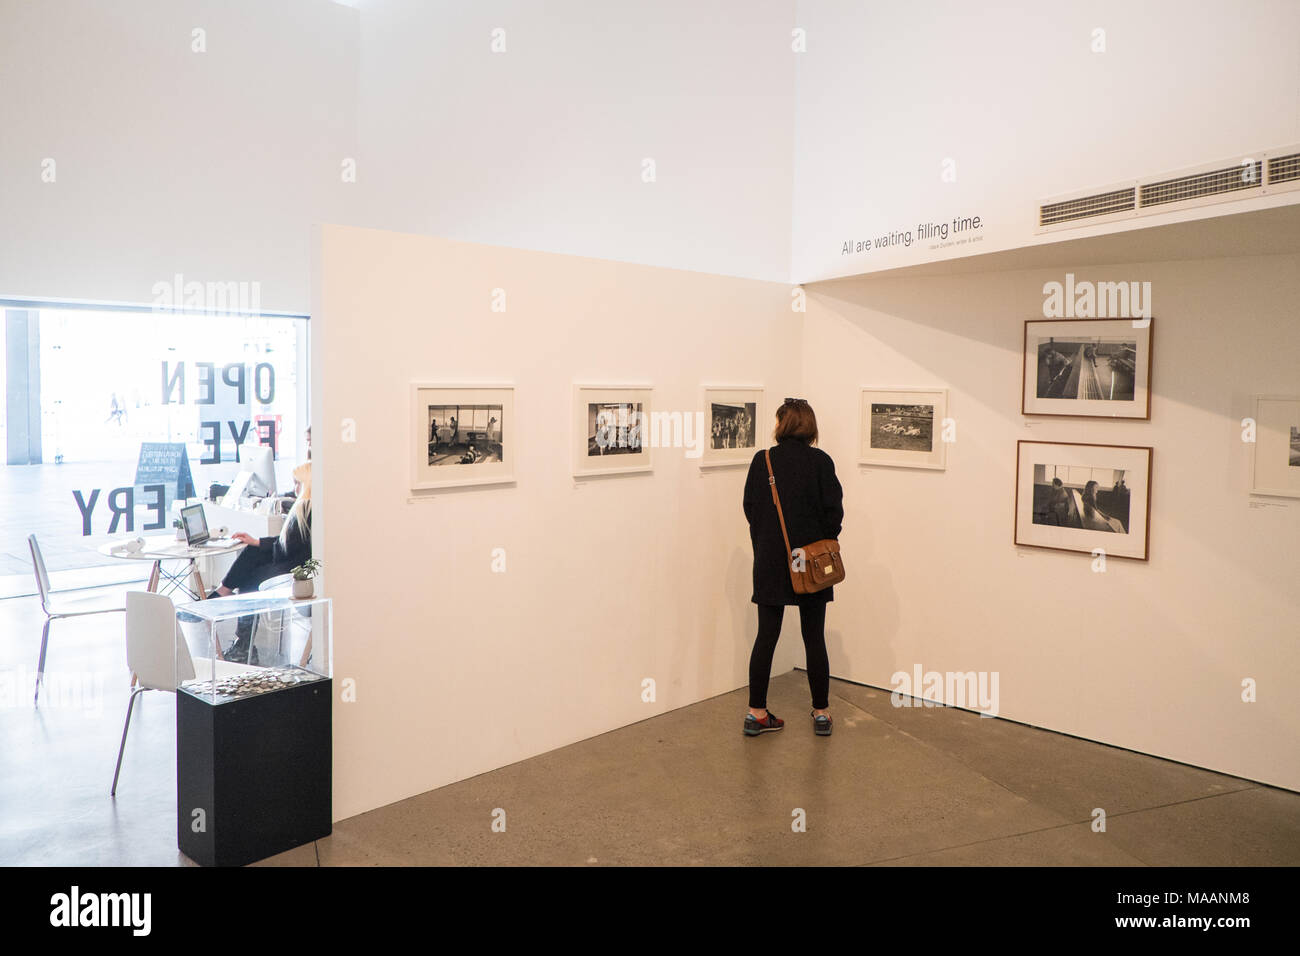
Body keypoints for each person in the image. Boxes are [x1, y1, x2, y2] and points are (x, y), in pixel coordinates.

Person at [741, 398, 843, 738]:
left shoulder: (763, 460)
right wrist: (821, 542)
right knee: (814, 636)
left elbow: (750, 508)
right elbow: (834, 513)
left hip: (771, 559)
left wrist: (766, 544)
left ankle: (756, 713)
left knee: (766, 636)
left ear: (781, 424)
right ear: (810, 426)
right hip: (809, 561)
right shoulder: (821, 462)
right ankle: (822, 712)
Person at [208, 427, 312, 662]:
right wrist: (257, 542)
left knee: (252, 577)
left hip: (301, 565)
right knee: (251, 551)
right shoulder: (303, 506)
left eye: (297, 485)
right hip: (292, 555)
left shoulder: (307, 511)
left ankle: (242, 640)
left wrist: (260, 542)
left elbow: (289, 549)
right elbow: (286, 545)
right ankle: (224, 594)